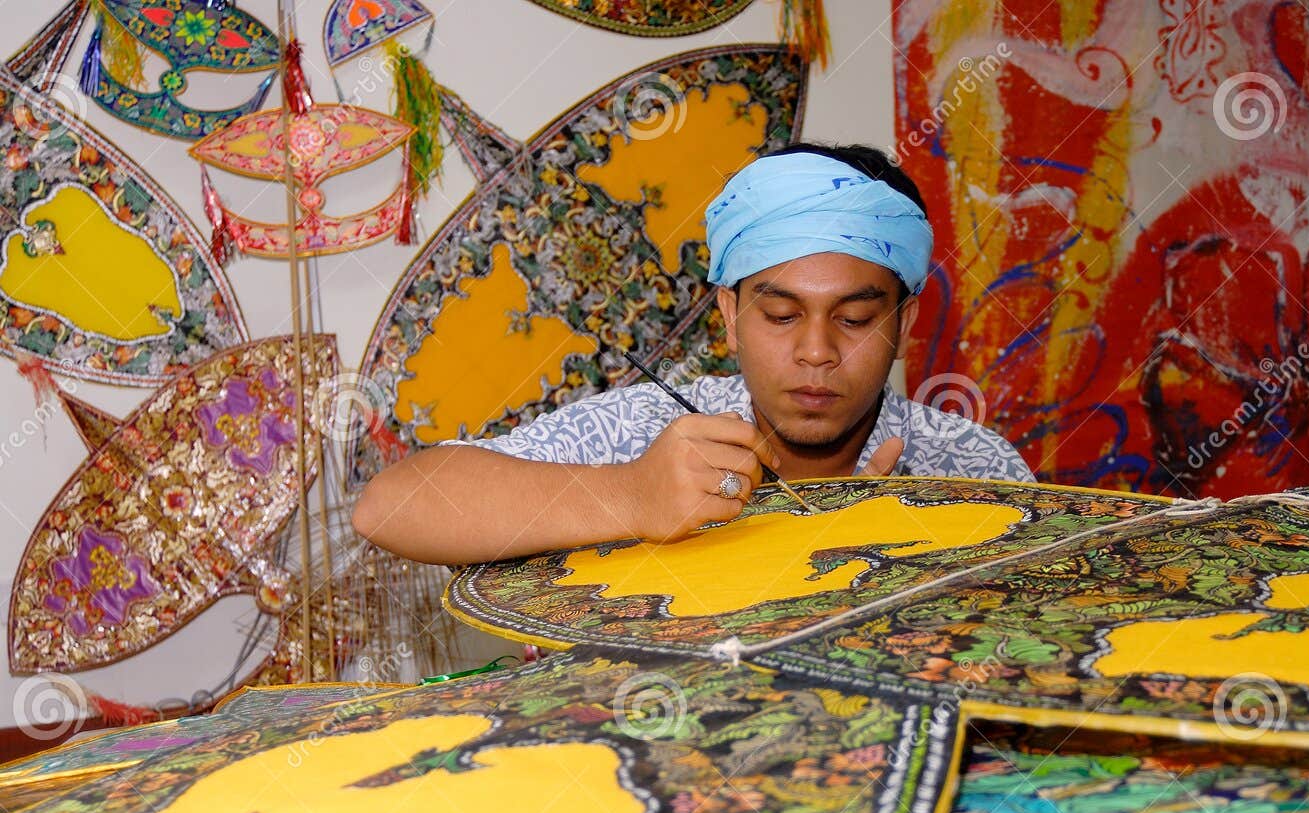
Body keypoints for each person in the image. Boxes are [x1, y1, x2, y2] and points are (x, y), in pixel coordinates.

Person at [353, 142, 1034, 565]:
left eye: (855, 318)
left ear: (904, 324)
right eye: (781, 314)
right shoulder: (652, 432)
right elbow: (390, 506)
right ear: (731, 317)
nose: (816, 351)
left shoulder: (973, 470)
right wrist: (629, 496)